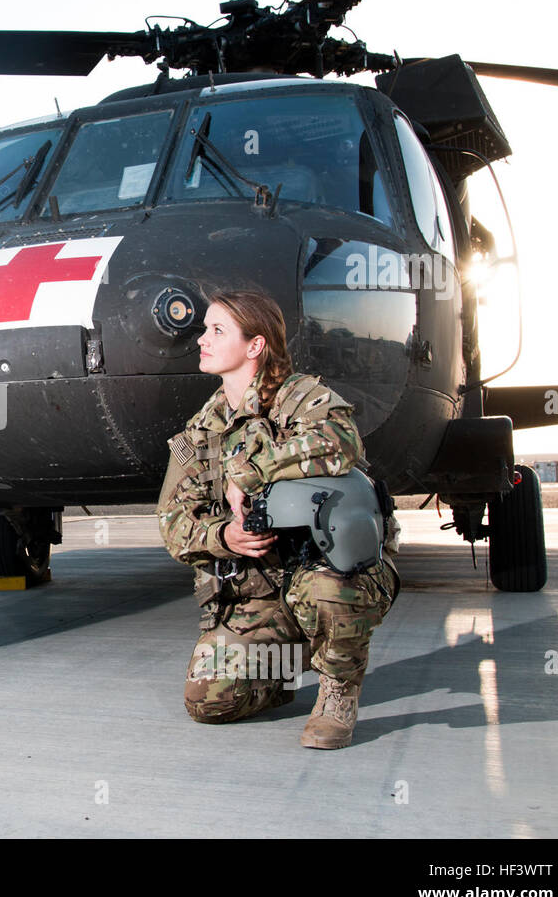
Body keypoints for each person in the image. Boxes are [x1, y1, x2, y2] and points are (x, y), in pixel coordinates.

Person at [156, 290, 398, 748]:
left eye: (217, 331)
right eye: (205, 329)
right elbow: (172, 523)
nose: (202, 340)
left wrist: (251, 472)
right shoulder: (198, 432)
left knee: (325, 587)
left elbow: (342, 440)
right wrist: (222, 535)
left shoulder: (300, 397)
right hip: (262, 597)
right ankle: (287, 669)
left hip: (329, 574)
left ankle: (338, 690)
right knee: (208, 701)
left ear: (255, 346)